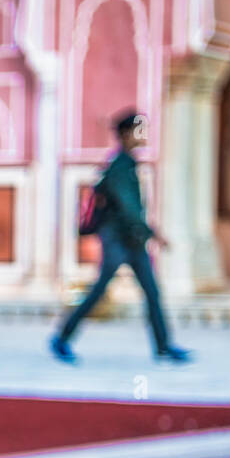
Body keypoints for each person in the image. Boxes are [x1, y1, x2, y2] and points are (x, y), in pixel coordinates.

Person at [49, 111, 191, 364]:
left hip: (132, 240)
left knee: (152, 292)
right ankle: (62, 338)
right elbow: (128, 207)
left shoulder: (126, 164)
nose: (143, 136)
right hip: (118, 240)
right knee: (99, 291)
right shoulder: (120, 167)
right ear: (126, 134)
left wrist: (146, 233)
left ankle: (163, 345)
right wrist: (153, 233)